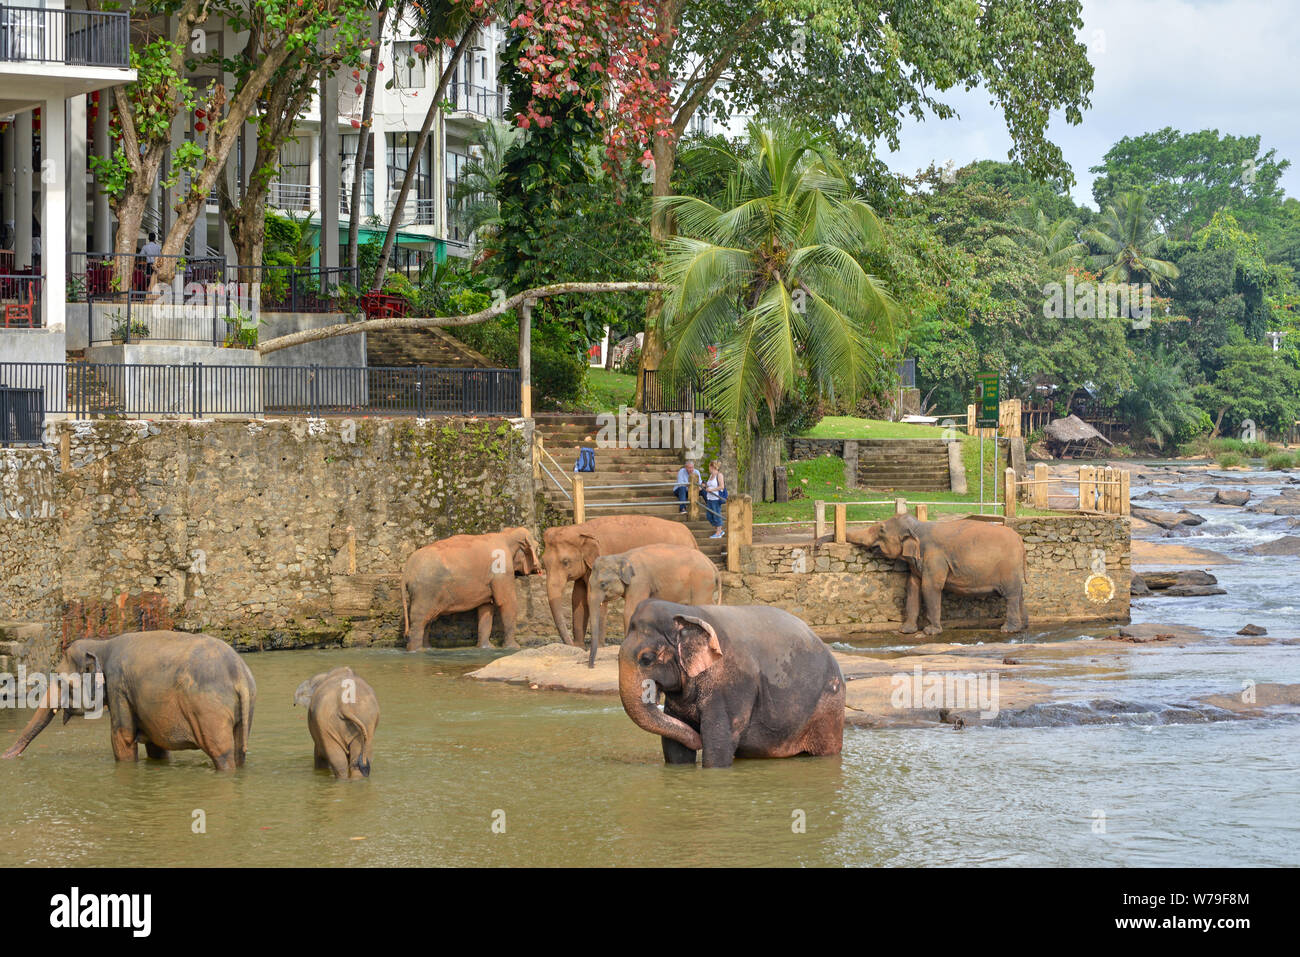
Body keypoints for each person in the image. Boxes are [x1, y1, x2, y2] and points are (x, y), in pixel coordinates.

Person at [704, 460, 726, 538]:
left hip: (716, 498)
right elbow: (709, 485)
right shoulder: (711, 475)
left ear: (712, 467)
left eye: (709, 467)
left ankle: (718, 532)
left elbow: (721, 486)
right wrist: (705, 486)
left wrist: (711, 490)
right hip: (709, 498)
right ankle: (719, 530)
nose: (708, 468)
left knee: (716, 514)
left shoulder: (719, 475)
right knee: (709, 516)